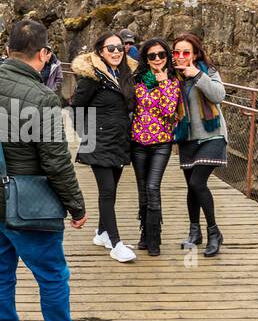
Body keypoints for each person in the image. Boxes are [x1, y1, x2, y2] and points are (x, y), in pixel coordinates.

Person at [0, 18, 98, 321]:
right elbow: (55, 160)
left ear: (7, 52)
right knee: (52, 275)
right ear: (44, 54)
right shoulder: (41, 98)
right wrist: (76, 204)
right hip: (31, 207)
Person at [69, 32, 137, 262]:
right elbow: (76, 107)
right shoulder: (92, 78)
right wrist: (86, 136)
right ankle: (116, 244)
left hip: (119, 141)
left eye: (119, 47)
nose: (116, 51)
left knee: (112, 190)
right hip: (98, 142)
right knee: (107, 191)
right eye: (110, 48)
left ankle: (101, 233)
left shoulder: (125, 74)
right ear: (100, 52)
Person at [171, 32, 227, 257]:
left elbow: (218, 96)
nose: (181, 56)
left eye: (186, 52)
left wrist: (197, 76)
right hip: (187, 138)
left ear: (195, 54)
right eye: (177, 52)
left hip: (212, 135)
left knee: (197, 182)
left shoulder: (207, 71)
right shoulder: (170, 75)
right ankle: (195, 232)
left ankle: (214, 232)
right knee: (191, 187)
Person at [129, 37, 180, 257]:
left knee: (152, 187)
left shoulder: (173, 81)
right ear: (146, 59)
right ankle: (144, 235)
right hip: (138, 142)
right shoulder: (138, 80)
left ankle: (154, 238)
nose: (157, 59)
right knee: (142, 190)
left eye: (161, 55)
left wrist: (163, 82)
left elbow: (169, 111)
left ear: (167, 57)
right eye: (152, 56)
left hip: (161, 142)